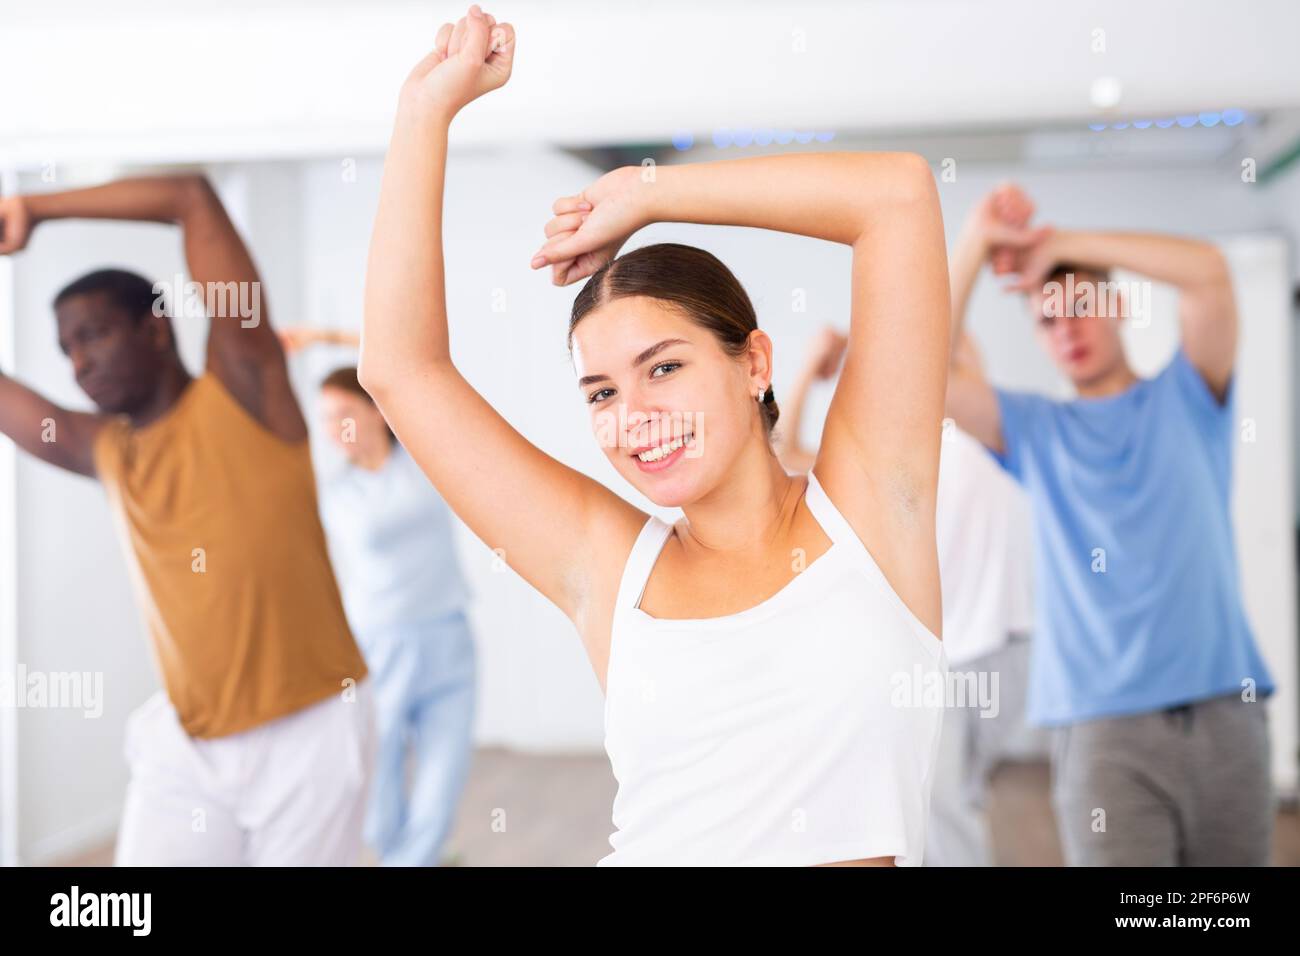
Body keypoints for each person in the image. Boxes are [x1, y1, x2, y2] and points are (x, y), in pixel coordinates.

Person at [359, 5, 949, 866]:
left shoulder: (871, 511)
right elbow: (402, 372)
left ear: (755, 363)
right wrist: (423, 114)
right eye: (601, 390)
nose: (633, 413)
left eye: (664, 367)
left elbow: (896, 198)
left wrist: (650, 191)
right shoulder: (609, 567)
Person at [0, 175, 373, 865]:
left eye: (95, 335)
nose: (79, 363)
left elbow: (191, 198)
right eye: (66, 349)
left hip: (312, 730)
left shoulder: (244, 384)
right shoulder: (104, 449)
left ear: (155, 326)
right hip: (187, 745)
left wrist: (34, 209)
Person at [944, 183, 1276, 866]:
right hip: (1103, 732)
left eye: (1081, 305)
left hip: (1225, 713)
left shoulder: (1189, 393)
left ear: (1118, 306)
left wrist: (1059, 246)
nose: (1066, 327)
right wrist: (976, 241)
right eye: (1047, 318)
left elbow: (1208, 272)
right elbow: (917, 374)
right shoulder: (1035, 430)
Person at [777, 325, 1037, 866]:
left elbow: (954, 342)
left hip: (999, 648)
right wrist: (809, 368)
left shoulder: (987, 435)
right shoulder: (891, 460)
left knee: (947, 798)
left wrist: (872, 336)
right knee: (941, 800)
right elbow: (785, 457)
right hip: (937, 660)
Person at [281, 326, 477, 867]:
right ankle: (406, 859)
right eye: (323, 417)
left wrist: (327, 337)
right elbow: (287, 432)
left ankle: (418, 857)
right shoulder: (331, 485)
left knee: (443, 774)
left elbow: (406, 353)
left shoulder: (420, 457)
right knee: (378, 775)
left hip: (448, 635)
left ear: (376, 411)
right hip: (376, 644)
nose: (331, 428)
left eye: (343, 412)